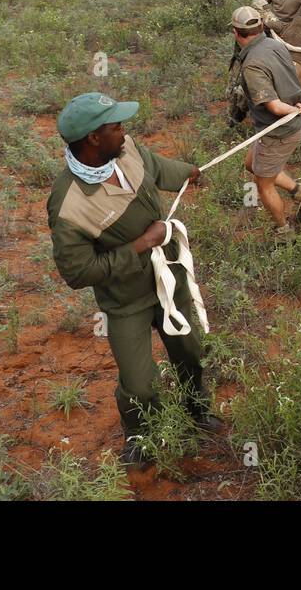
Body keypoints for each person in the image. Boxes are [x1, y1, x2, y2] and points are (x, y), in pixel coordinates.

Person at [46, 91, 218, 469]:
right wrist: (140, 244)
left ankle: (196, 408)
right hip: (125, 300)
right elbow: (78, 272)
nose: (125, 131)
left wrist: (187, 171)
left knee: (189, 352)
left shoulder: (124, 149)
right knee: (140, 384)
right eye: (116, 126)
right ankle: (139, 434)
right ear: (93, 138)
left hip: (168, 277)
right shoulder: (68, 204)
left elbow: (155, 167)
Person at [232, 6, 301, 240]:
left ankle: (284, 231)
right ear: (261, 27)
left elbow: (273, 106)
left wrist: (297, 110)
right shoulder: (275, 44)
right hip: (280, 128)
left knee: (263, 183)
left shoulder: (252, 64)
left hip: (279, 130)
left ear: (236, 32)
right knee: (252, 164)